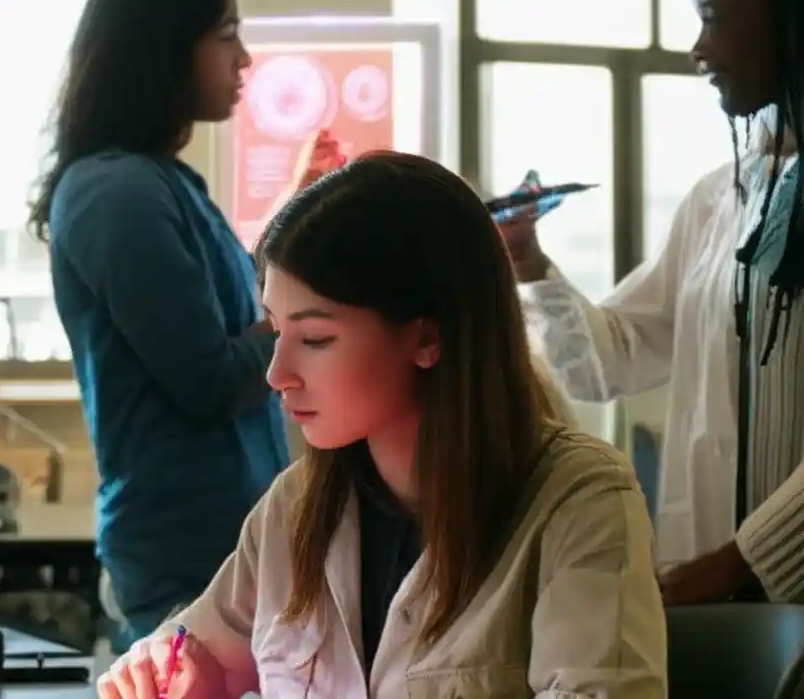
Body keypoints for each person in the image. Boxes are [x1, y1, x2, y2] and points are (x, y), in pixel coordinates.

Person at [95, 152, 667, 698]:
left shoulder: (581, 502)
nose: (277, 374)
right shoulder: (296, 508)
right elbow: (197, 652)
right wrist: (173, 677)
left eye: (316, 338)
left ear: (426, 336)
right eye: (276, 329)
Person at [29, 0, 342, 650]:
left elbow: (231, 316)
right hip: (183, 561)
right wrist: (317, 326)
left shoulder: (164, 182)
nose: (244, 58)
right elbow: (208, 376)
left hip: (222, 551)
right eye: (226, 33)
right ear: (165, 46)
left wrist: (299, 210)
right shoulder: (115, 192)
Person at [501, 0, 802, 606]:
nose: (699, 49)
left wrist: (739, 565)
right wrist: (529, 264)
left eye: (714, 19)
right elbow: (613, 357)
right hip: (706, 586)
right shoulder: (721, 198)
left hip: (752, 584)